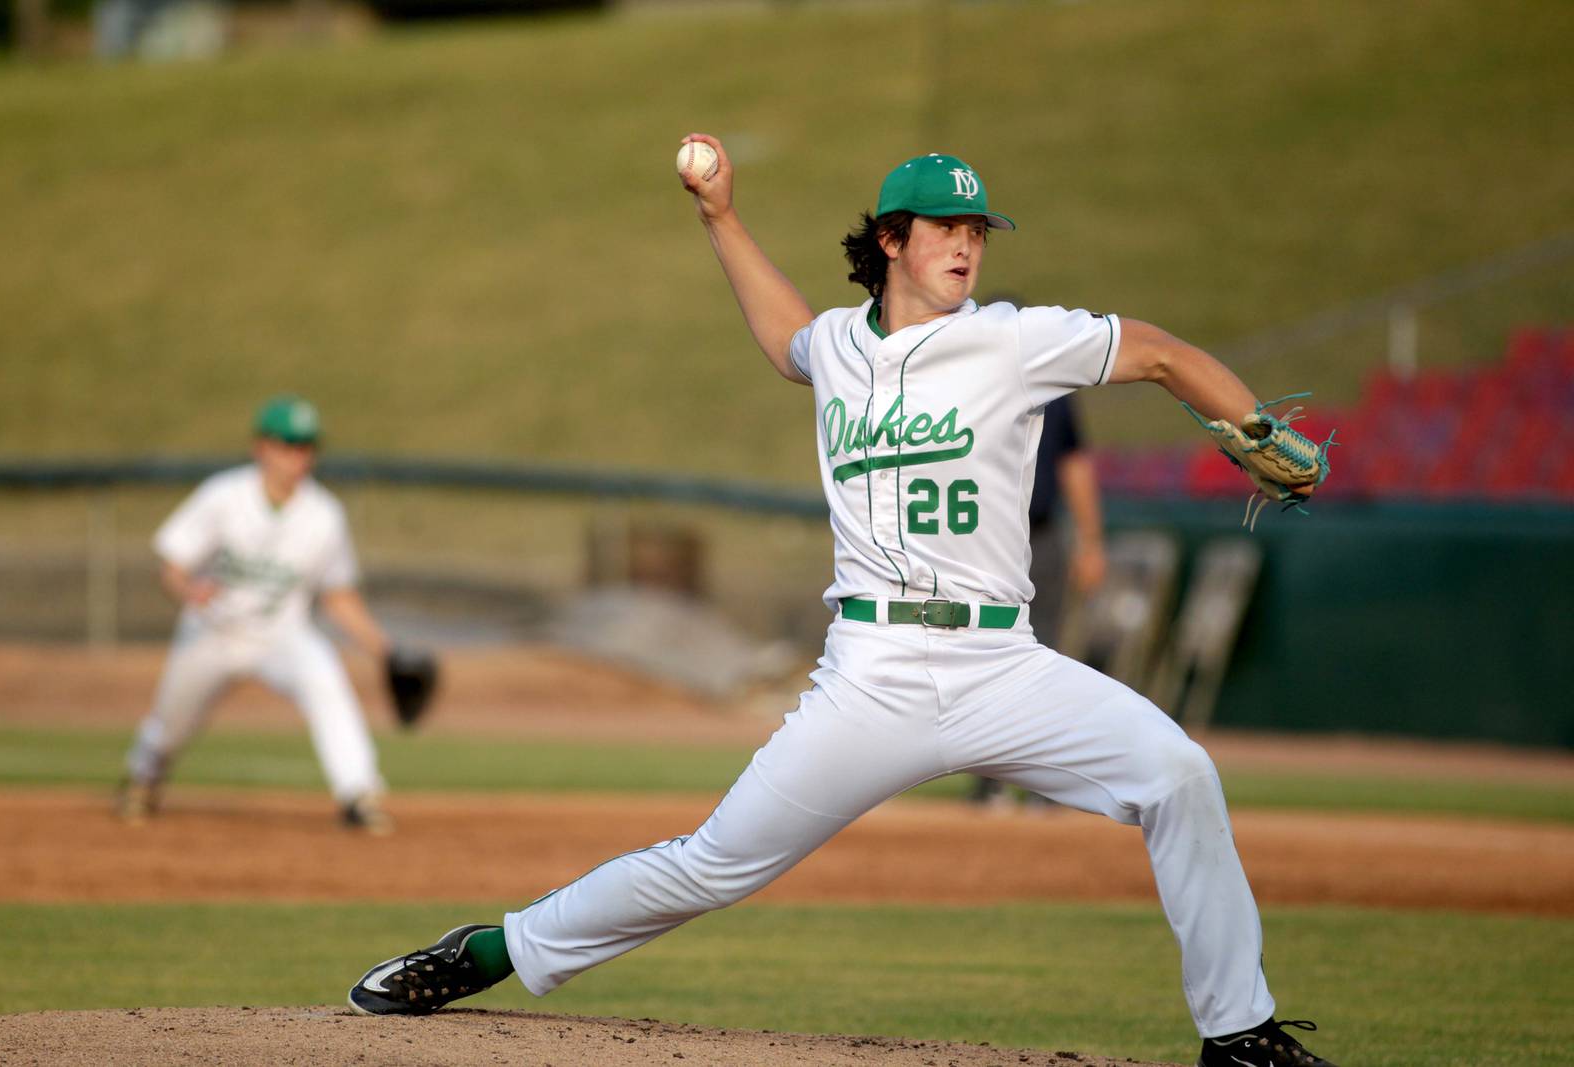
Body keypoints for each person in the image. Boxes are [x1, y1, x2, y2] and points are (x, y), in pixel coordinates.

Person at [346, 141, 1338, 1067]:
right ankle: (488, 948)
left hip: (1006, 666)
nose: (965, 243)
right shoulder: (840, 349)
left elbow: (1159, 351)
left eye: (978, 229)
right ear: (891, 241)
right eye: (945, 227)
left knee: (1178, 774)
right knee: (710, 864)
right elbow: (784, 335)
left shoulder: (1013, 341)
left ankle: (1238, 1032)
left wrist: (1246, 423)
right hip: (873, 674)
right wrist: (721, 217)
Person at [117, 395, 397, 834]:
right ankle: (144, 777)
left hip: (281, 634)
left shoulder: (325, 514)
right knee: (171, 720)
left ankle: (358, 793)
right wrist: (189, 590)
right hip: (213, 629)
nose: (297, 455)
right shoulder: (223, 495)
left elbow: (338, 596)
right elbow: (171, 565)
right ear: (261, 447)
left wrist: (384, 650)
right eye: (287, 443)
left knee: (326, 681)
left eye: (306, 445)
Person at [969, 378, 1107, 808]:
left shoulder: (1048, 386)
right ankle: (990, 779)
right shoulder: (965, 378)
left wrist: (1090, 542)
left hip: (1037, 536)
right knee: (978, 656)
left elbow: (1073, 462)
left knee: (1039, 656)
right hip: (976, 539)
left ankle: (1039, 782)